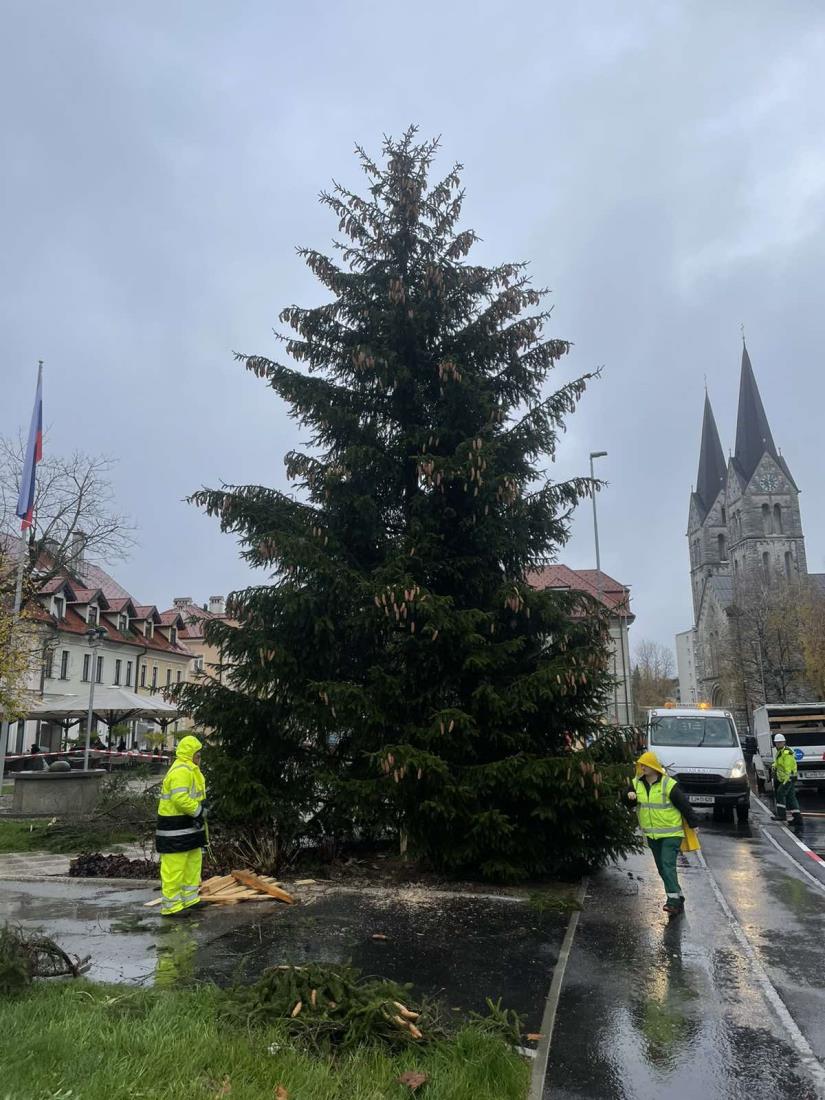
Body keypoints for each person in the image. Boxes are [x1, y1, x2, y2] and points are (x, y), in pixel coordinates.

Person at [628, 751, 699, 916]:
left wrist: (693, 823)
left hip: (671, 834)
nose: (642, 767)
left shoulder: (668, 784)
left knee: (667, 865)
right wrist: (629, 797)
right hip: (652, 835)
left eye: (645, 764)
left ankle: (672, 902)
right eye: (641, 765)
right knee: (662, 868)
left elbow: (683, 804)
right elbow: (627, 801)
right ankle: (679, 895)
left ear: (653, 766)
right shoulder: (636, 783)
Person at [156, 734, 206, 917]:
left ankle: (190, 899)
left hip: (188, 827)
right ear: (189, 754)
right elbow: (180, 799)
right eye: (197, 754)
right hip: (174, 828)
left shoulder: (191, 770)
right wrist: (199, 811)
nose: (199, 758)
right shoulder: (181, 771)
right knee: (174, 868)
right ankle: (172, 907)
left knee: (192, 863)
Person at [771, 733, 802, 833]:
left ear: (784, 742)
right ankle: (797, 819)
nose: (778, 744)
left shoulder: (786, 753)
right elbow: (778, 763)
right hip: (787, 778)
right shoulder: (780, 752)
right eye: (777, 743)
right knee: (791, 797)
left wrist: (786, 781)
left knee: (780, 793)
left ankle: (781, 815)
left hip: (788, 778)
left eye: (780, 742)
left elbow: (788, 768)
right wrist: (774, 766)